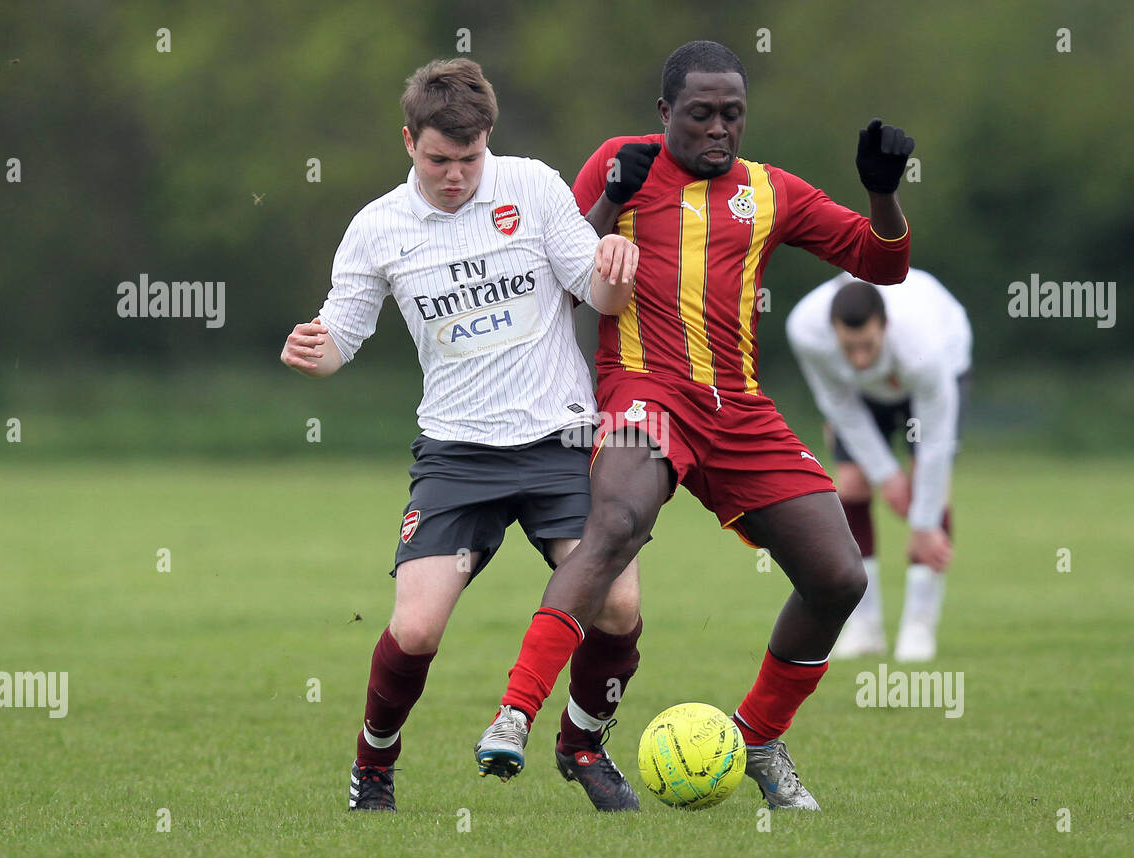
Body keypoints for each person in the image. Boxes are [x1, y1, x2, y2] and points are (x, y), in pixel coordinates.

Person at [475, 40, 914, 810]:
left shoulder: (768, 191)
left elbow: (882, 265)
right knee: (614, 524)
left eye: (733, 116)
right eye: (702, 114)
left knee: (839, 577)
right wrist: (610, 202)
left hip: (738, 408)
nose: (719, 129)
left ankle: (759, 739)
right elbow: (560, 283)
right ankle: (515, 712)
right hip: (644, 391)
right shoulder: (624, 164)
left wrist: (883, 193)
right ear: (665, 113)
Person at [279, 58, 643, 813]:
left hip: (560, 439)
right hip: (457, 452)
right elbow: (340, 337)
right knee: (414, 629)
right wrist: (315, 354)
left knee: (619, 609)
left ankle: (582, 743)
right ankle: (374, 762)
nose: (456, 176)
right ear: (407, 141)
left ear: (489, 142)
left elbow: (597, 294)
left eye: (470, 158)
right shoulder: (378, 226)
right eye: (439, 160)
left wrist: (615, 266)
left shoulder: (533, 188)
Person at [786, 268, 972, 662]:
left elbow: (935, 443)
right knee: (851, 484)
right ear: (832, 329)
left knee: (930, 486)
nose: (859, 358)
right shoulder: (806, 330)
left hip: (937, 375)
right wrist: (887, 475)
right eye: (848, 347)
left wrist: (923, 524)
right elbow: (838, 405)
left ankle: (919, 624)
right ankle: (865, 624)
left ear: (884, 325)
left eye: (867, 345)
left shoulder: (924, 345)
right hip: (861, 397)